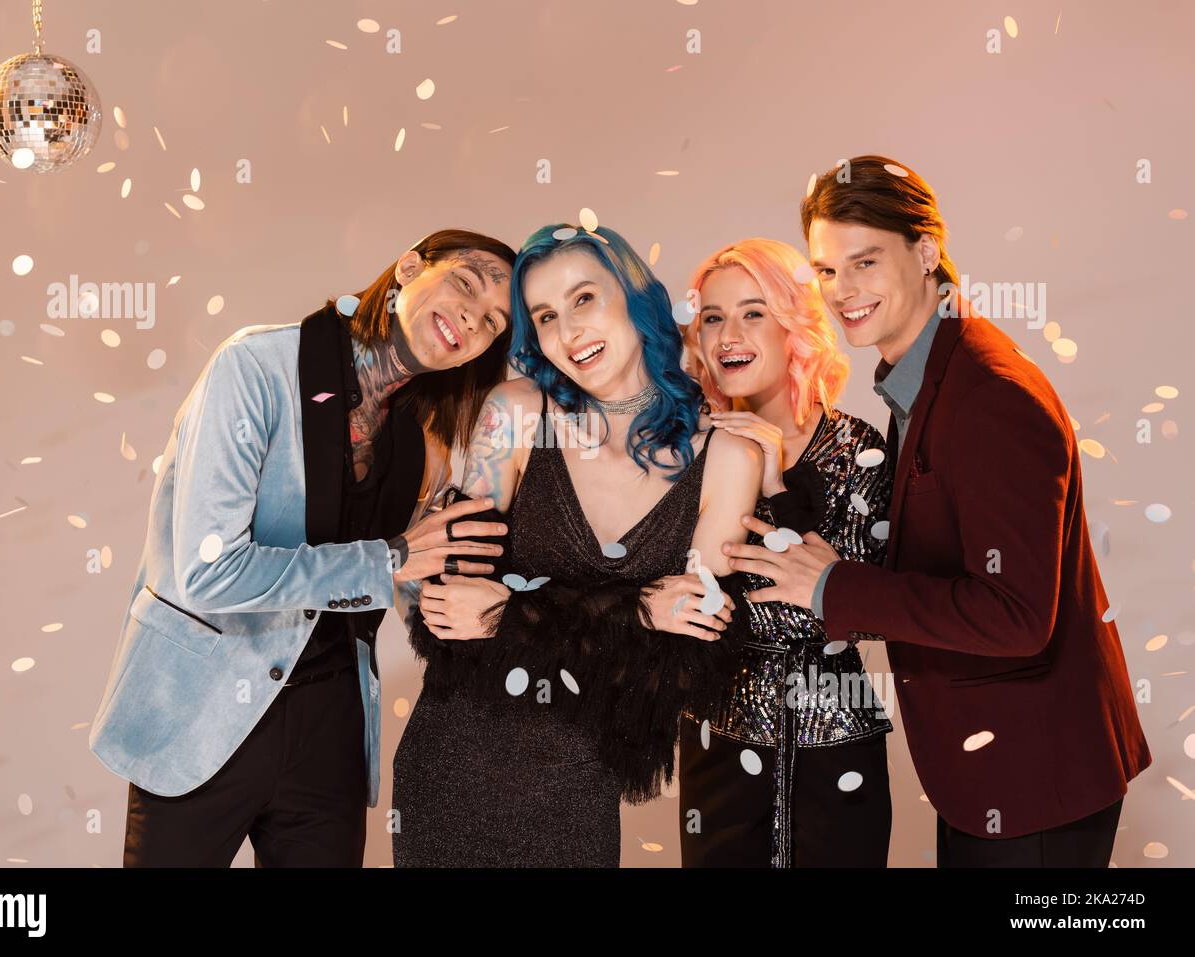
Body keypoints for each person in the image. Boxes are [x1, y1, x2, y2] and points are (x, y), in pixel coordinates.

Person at [731, 156, 1152, 867]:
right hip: (991, 774)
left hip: (1035, 779)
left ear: (926, 250)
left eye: (865, 261)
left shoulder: (991, 394)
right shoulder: (924, 375)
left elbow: (1016, 615)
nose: (843, 291)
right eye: (827, 270)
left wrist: (836, 587)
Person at [89, 229, 517, 866]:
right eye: (464, 283)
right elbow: (211, 572)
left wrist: (491, 598)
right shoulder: (254, 369)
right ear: (408, 268)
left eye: (493, 321)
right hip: (201, 707)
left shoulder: (419, 438)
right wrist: (392, 557)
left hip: (331, 727)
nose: (472, 318)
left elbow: (408, 589)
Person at [391, 224, 763, 866]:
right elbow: (446, 612)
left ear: (633, 296)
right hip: (449, 766)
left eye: (584, 299)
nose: (568, 332)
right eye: (544, 316)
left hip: (577, 791)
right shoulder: (515, 414)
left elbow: (673, 670)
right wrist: (639, 611)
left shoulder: (729, 457)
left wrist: (509, 614)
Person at [676, 237, 893, 867]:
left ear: (792, 324)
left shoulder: (860, 448)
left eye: (752, 312)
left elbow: (860, 606)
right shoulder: (688, 451)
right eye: (712, 317)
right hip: (719, 738)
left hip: (837, 740)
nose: (728, 335)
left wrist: (775, 484)